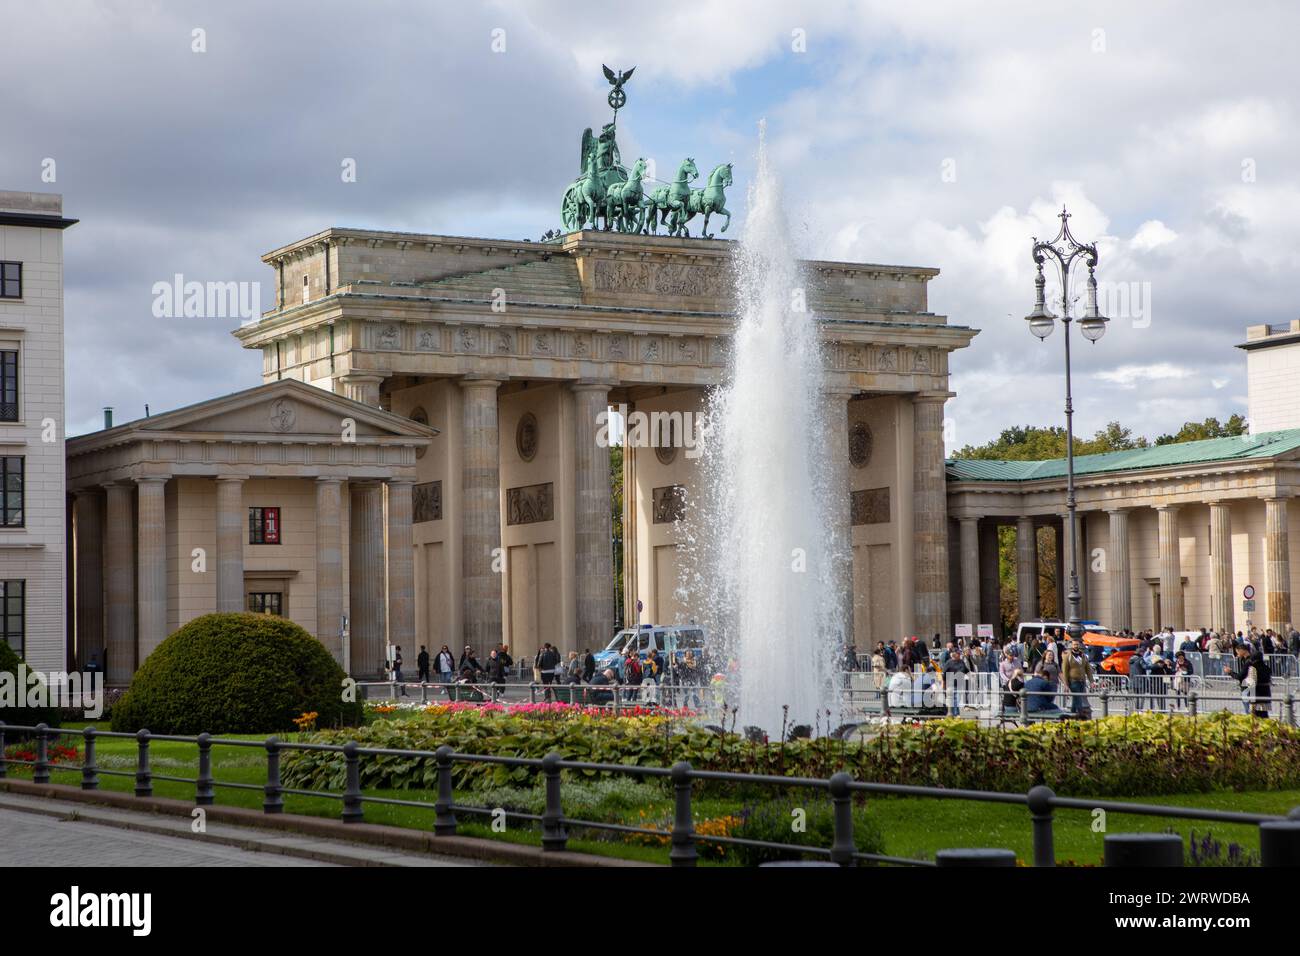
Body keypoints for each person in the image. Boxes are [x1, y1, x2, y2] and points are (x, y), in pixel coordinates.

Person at [1237, 642, 1272, 719]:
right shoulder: (1267, 668)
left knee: (1256, 717)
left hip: (1256, 695)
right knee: (1264, 716)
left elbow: (1251, 684)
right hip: (1266, 695)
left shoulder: (1253, 668)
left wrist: (1251, 700)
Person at [1061, 640, 1093, 717]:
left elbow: (1088, 669)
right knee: (1078, 698)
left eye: (1077, 644)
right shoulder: (1067, 656)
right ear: (1072, 646)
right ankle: (1081, 714)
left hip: (1082, 680)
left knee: (1075, 699)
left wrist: (1091, 681)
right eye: (1074, 644)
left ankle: (1072, 715)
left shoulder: (1083, 656)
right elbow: (1065, 670)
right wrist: (1066, 683)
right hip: (1073, 681)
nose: (1076, 646)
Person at [941, 646, 968, 716]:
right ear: (953, 654)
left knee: (956, 700)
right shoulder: (949, 663)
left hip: (959, 684)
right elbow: (944, 674)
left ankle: (954, 714)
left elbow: (966, 671)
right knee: (953, 700)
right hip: (950, 684)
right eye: (958, 653)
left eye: (959, 653)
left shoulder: (961, 662)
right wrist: (943, 685)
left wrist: (971, 675)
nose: (959, 655)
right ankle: (956, 714)